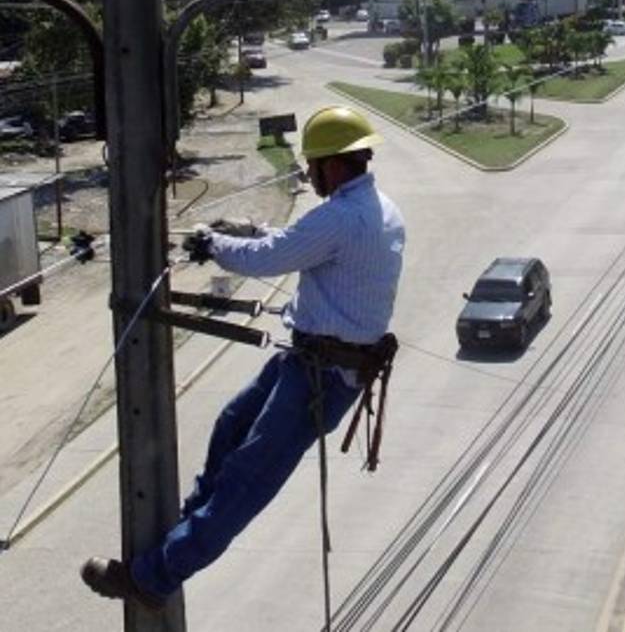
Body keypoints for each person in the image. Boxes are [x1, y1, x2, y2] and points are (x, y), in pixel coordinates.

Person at [81, 104, 406, 612]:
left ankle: (155, 576)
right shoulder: (375, 207)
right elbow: (294, 241)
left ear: (333, 164)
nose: (310, 174)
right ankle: (182, 532)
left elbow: (270, 258)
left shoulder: (345, 217)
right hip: (309, 362)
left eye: (313, 165)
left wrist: (215, 244)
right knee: (230, 425)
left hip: (324, 376)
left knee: (246, 478)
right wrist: (249, 228)